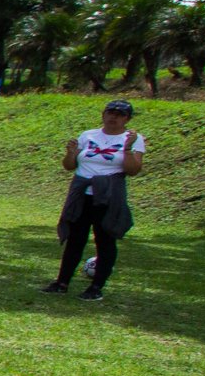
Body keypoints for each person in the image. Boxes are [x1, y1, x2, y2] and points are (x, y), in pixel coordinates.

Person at [45, 98, 145, 301]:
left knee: (105, 239)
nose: (113, 117)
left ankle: (96, 286)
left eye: (119, 114)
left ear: (127, 119)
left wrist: (126, 148)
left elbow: (133, 170)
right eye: (110, 112)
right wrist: (70, 154)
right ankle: (62, 282)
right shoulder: (88, 135)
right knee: (75, 239)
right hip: (82, 194)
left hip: (108, 195)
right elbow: (69, 166)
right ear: (103, 114)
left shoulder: (134, 139)